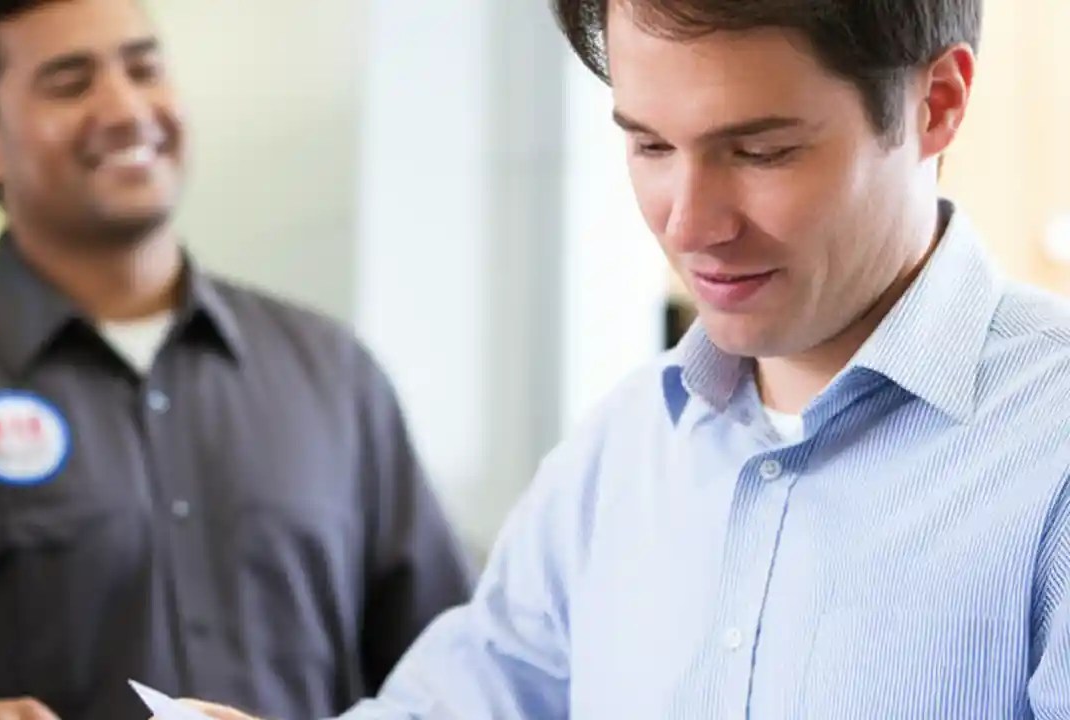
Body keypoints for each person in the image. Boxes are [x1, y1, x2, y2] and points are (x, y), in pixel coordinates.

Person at [180, 0, 1070, 717]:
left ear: (937, 103)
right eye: (648, 145)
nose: (688, 224)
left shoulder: (1049, 452)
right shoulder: (626, 448)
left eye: (760, 151)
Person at [0, 0, 474, 718]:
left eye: (144, 68)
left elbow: (453, 667)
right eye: (69, 82)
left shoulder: (333, 376)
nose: (124, 108)